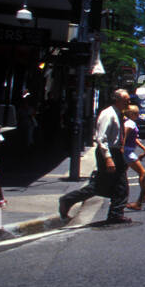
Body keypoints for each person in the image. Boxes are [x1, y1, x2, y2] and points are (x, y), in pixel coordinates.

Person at [59, 88, 132, 224]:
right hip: (108, 152)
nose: (129, 101)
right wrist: (108, 158)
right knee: (109, 185)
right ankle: (68, 200)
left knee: (115, 185)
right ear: (117, 100)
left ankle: (115, 214)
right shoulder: (108, 114)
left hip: (115, 152)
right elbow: (101, 138)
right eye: (126, 99)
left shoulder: (117, 113)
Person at [122, 104, 145, 181]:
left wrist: (144, 148)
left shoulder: (128, 122)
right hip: (127, 152)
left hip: (127, 150)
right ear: (132, 114)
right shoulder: (130, 123)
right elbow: (124, 135)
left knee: (122, 174)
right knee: (142, 172)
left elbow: (135, 139)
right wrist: (122, 146)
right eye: (137, 113)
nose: (138, 115)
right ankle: (144, 193)